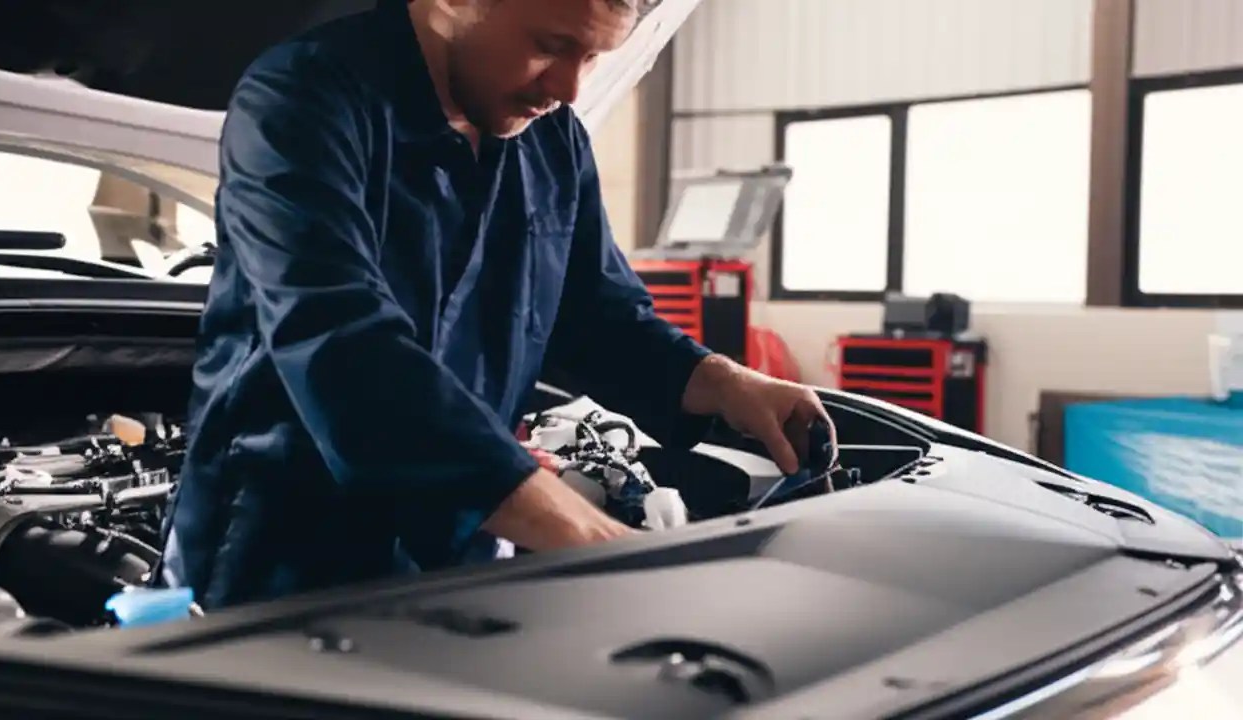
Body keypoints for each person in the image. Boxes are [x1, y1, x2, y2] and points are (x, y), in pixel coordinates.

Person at [155, 0, 837, 610]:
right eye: (551, 45)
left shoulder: (553, 139)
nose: (569, 89)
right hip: (279, 556)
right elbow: (340, 342)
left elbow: (599, 318)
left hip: (465, 548)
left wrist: (725, 382)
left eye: (593, 57)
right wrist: (584, 532)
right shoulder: (302, 98)